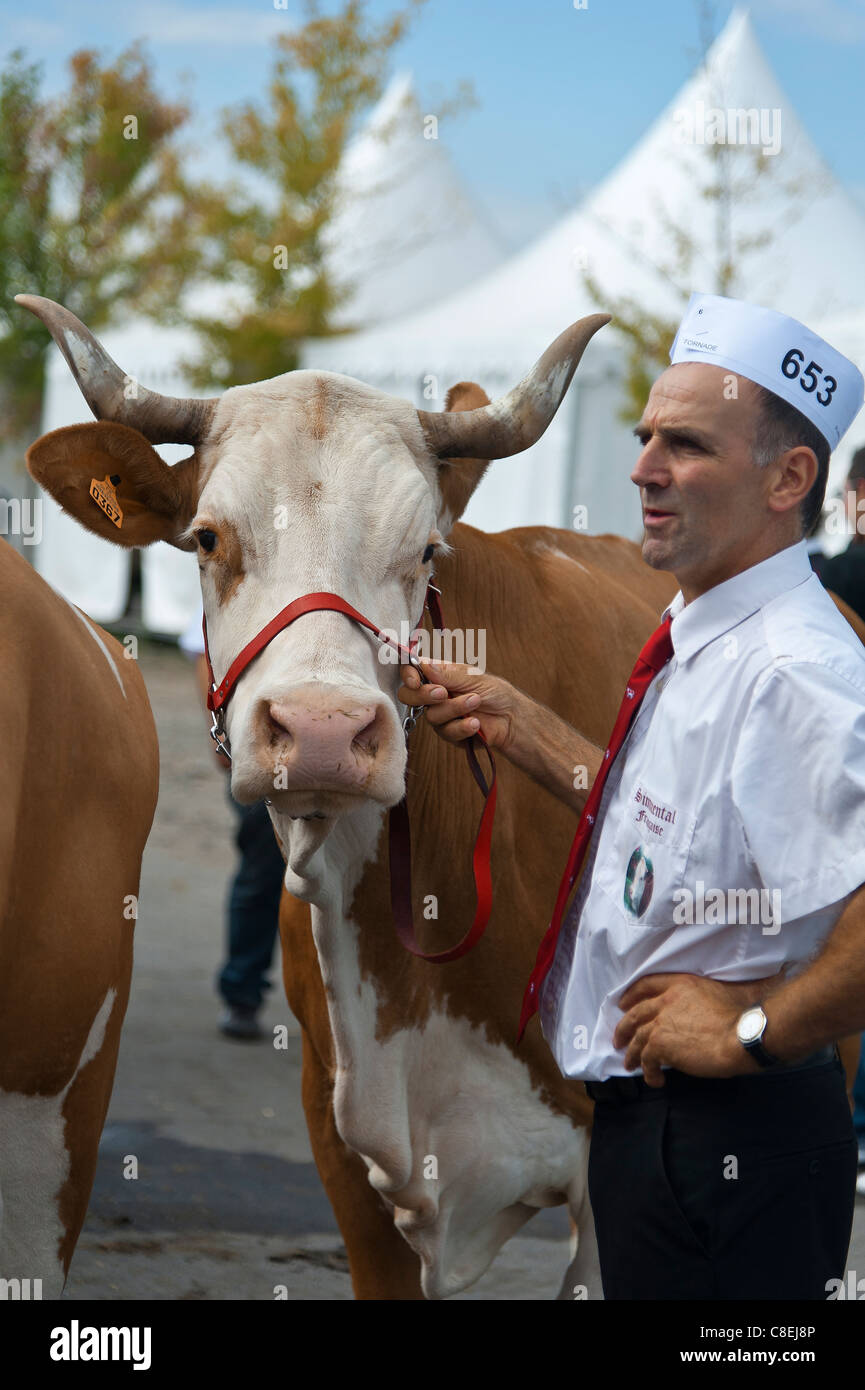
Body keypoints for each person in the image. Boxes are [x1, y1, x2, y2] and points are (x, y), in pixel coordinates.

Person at [399, 292, 865, 1300]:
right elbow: (684, 829)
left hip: (730, 1138)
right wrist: (525, 728)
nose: (641, 468)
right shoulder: (714, 631)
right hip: (658, 1131)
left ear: (789, 477)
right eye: (646, 434)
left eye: (685, 445)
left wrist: (754, 1031)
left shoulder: (793, 667)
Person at [180, 608, 285, 1040]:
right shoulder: (251, 549)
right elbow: (205, 643)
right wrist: (220, 728)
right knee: (263, 865)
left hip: (339, 733)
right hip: (264, 740)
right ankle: (242, 991)